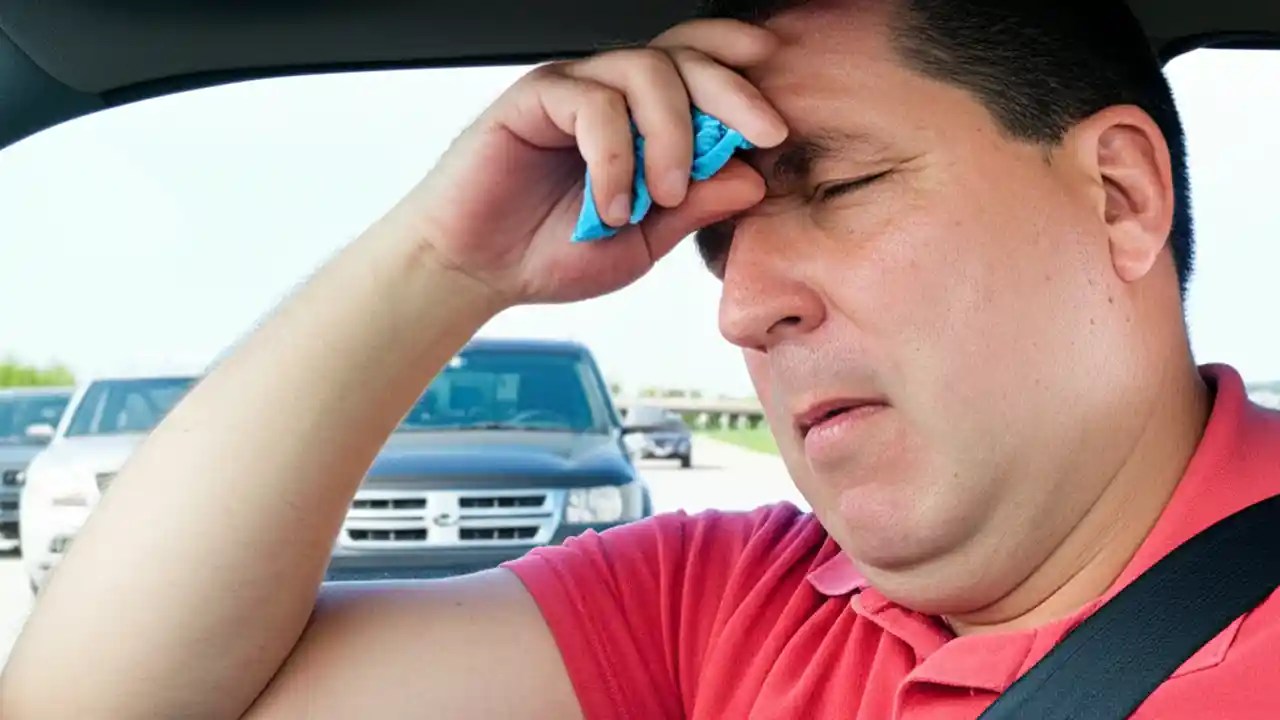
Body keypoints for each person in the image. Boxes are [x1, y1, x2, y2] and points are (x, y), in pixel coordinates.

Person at [4, 0, 1279, 717]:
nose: (741, 311)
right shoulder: (721, 602)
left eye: (832, 183)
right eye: (715, 253)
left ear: (1115, 195)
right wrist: (445, 265)